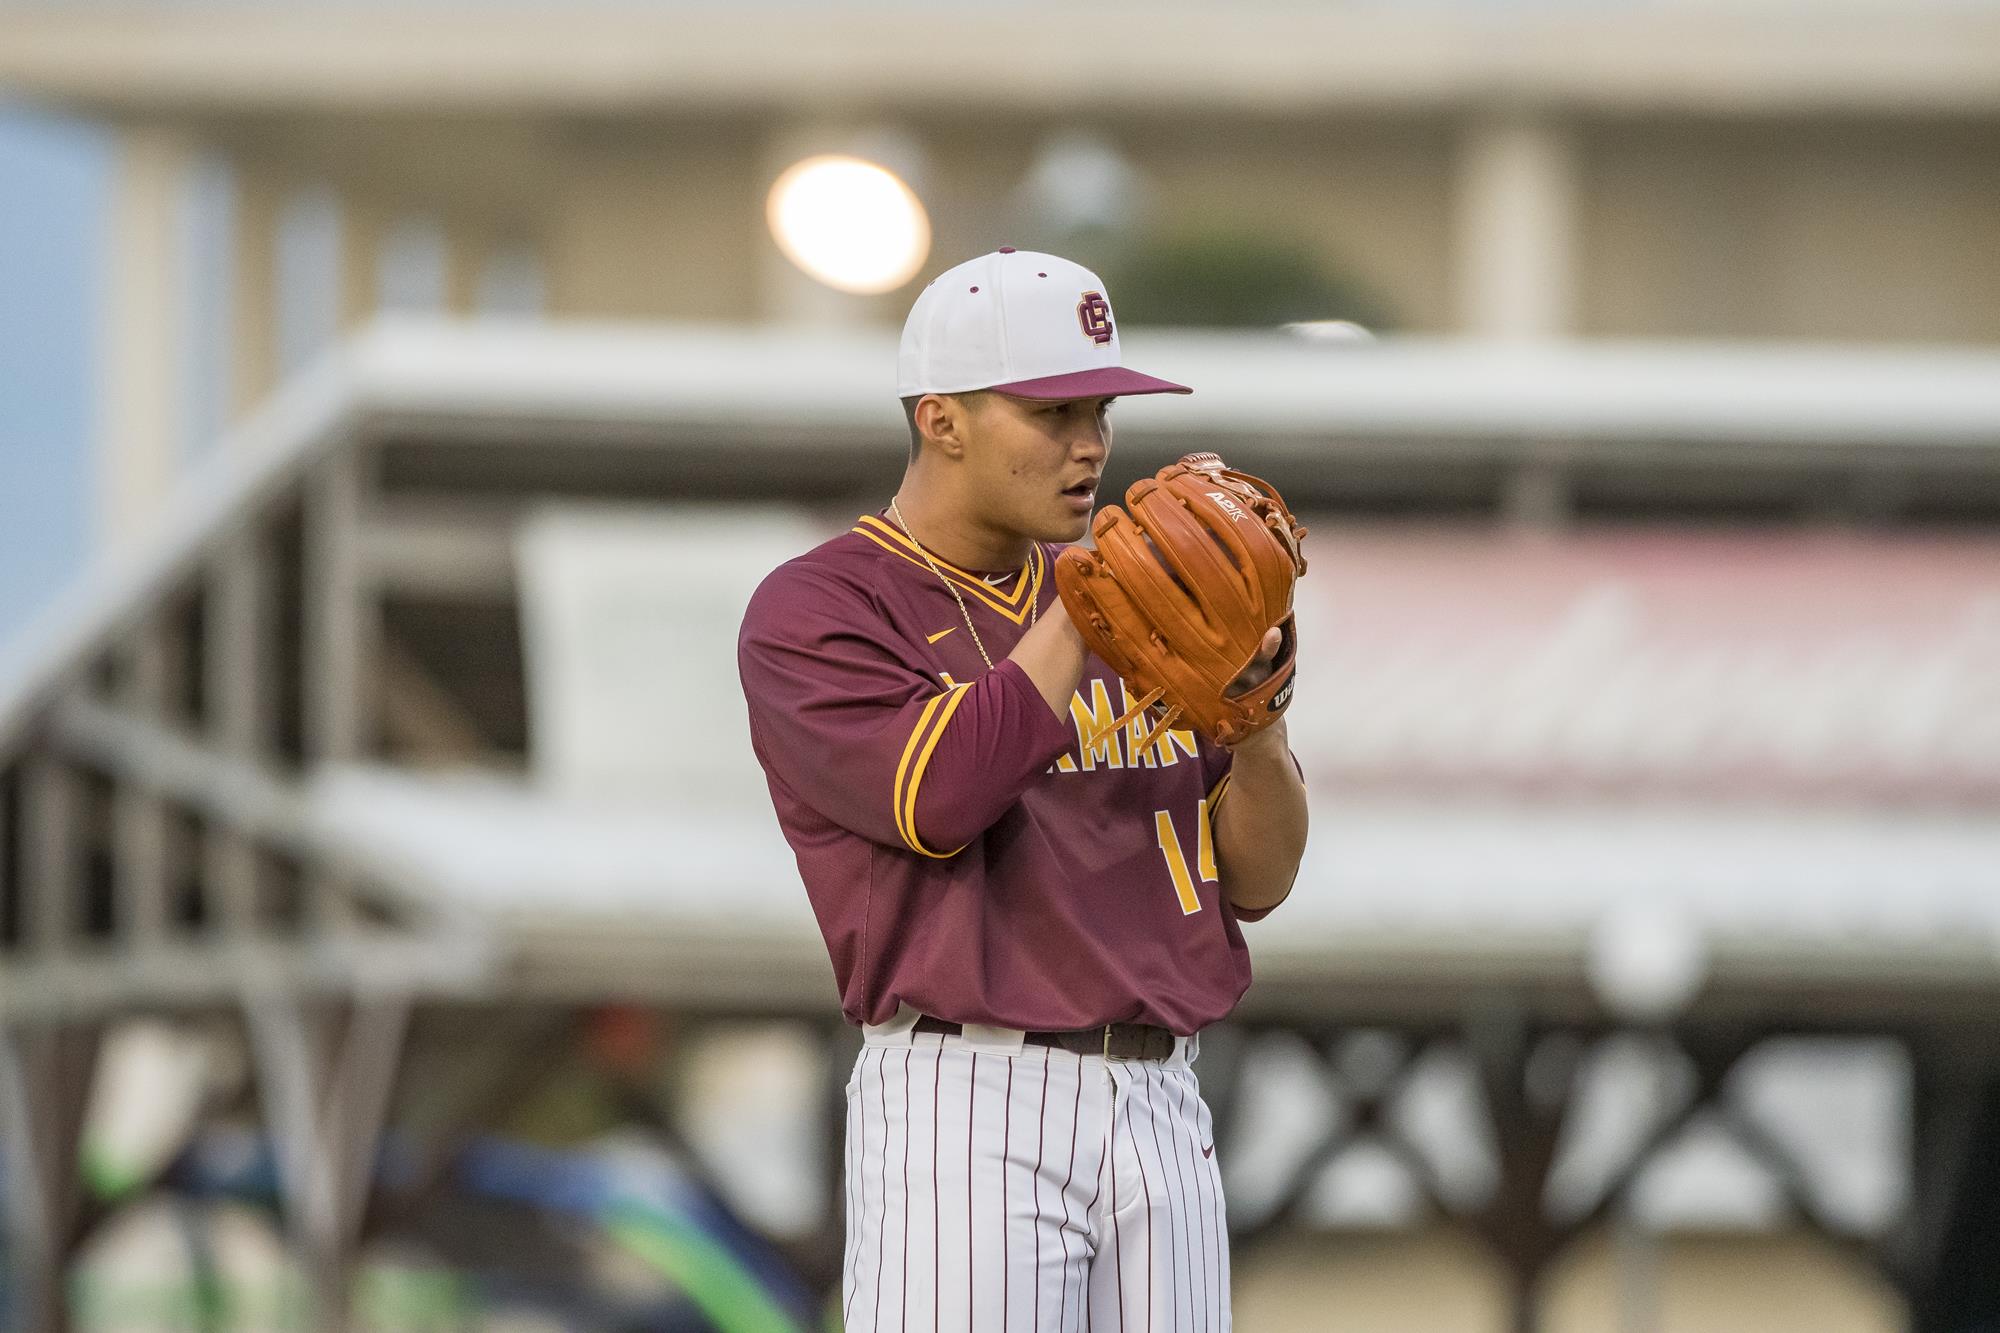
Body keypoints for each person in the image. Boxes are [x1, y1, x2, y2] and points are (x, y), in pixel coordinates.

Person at [736, 247, 1309, 1331]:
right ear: (940, 418)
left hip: (1160, 1094)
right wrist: (1088, 604)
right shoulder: (821, 607)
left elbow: (1258, 878)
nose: (1088, 442)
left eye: (1097, 408)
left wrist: (1261, 725)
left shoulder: (1134, 599)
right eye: (1049, 412)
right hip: (967, 1101)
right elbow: (943, 796)